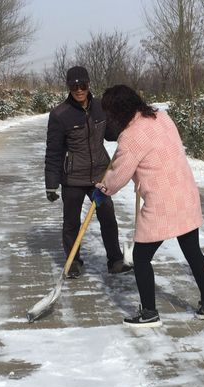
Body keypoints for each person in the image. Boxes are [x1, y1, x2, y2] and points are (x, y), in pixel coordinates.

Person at [95, 84, 204, 327]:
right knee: (193, 251)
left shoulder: (131, 136)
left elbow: (118, 174)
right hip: (186, 195)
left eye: (110, 113)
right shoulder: (162, 116)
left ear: (119, 112)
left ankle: (149, 313)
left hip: (163, 203)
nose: (108, 118)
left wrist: (103, 188)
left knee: (140, 257)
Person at [44, 66, 131, 279]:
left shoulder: (101, 107)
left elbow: (111, 134)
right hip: (73, 178)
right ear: (69, 88)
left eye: (82, 85)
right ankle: (73, 261)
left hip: (100, 177)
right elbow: (54, 151)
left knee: (107, 217)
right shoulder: (60, 115)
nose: (79, 90)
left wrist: (127, 126)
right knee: (71, 222)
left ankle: (115, 260)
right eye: (74, 87)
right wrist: (51, 182)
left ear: (88, 84)